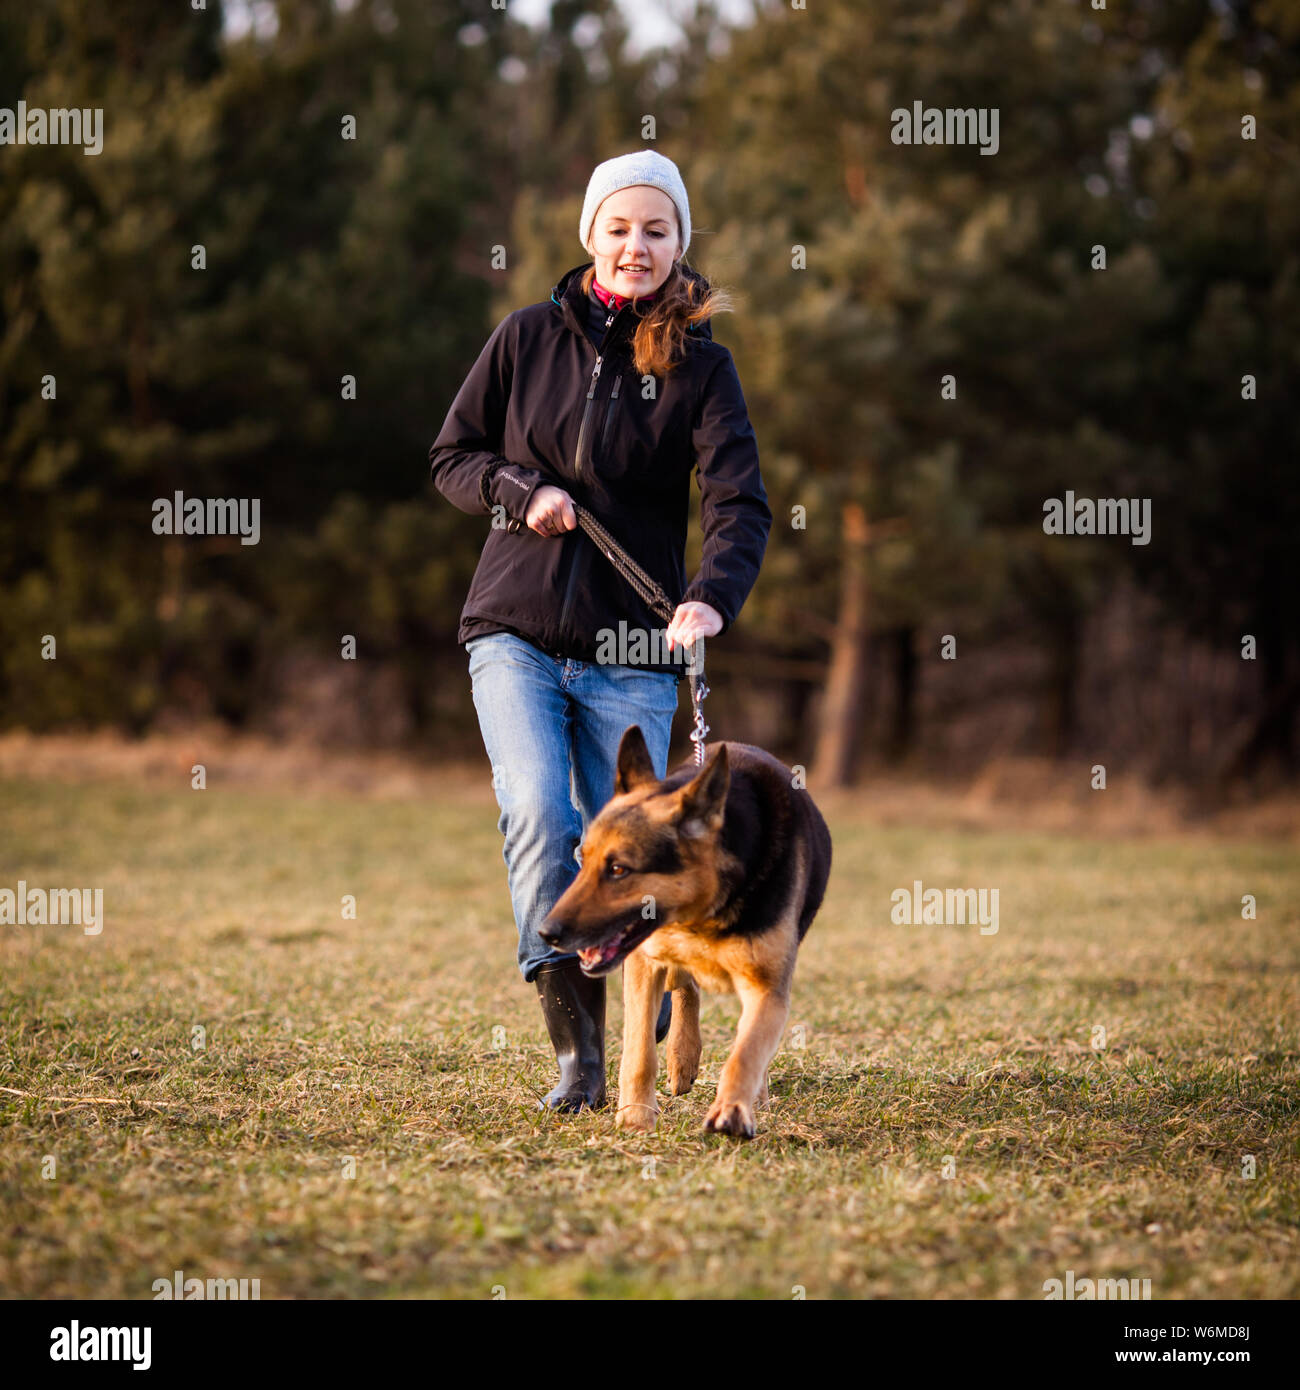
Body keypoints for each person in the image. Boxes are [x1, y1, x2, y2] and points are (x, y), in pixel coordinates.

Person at [428, 151, 771, 1113]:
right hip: (516, 628)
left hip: (632, 646)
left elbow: (740, 502)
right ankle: (578, 1054)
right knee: (540, 812)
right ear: (589, 236)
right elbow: (453, 455)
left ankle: (636, 984)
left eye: (656, 231)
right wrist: (519, 489)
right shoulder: (526, 337)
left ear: (678, 246)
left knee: (626, 843)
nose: (636, 246)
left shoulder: (702, 367)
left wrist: (708, 596)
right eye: (619, 227)